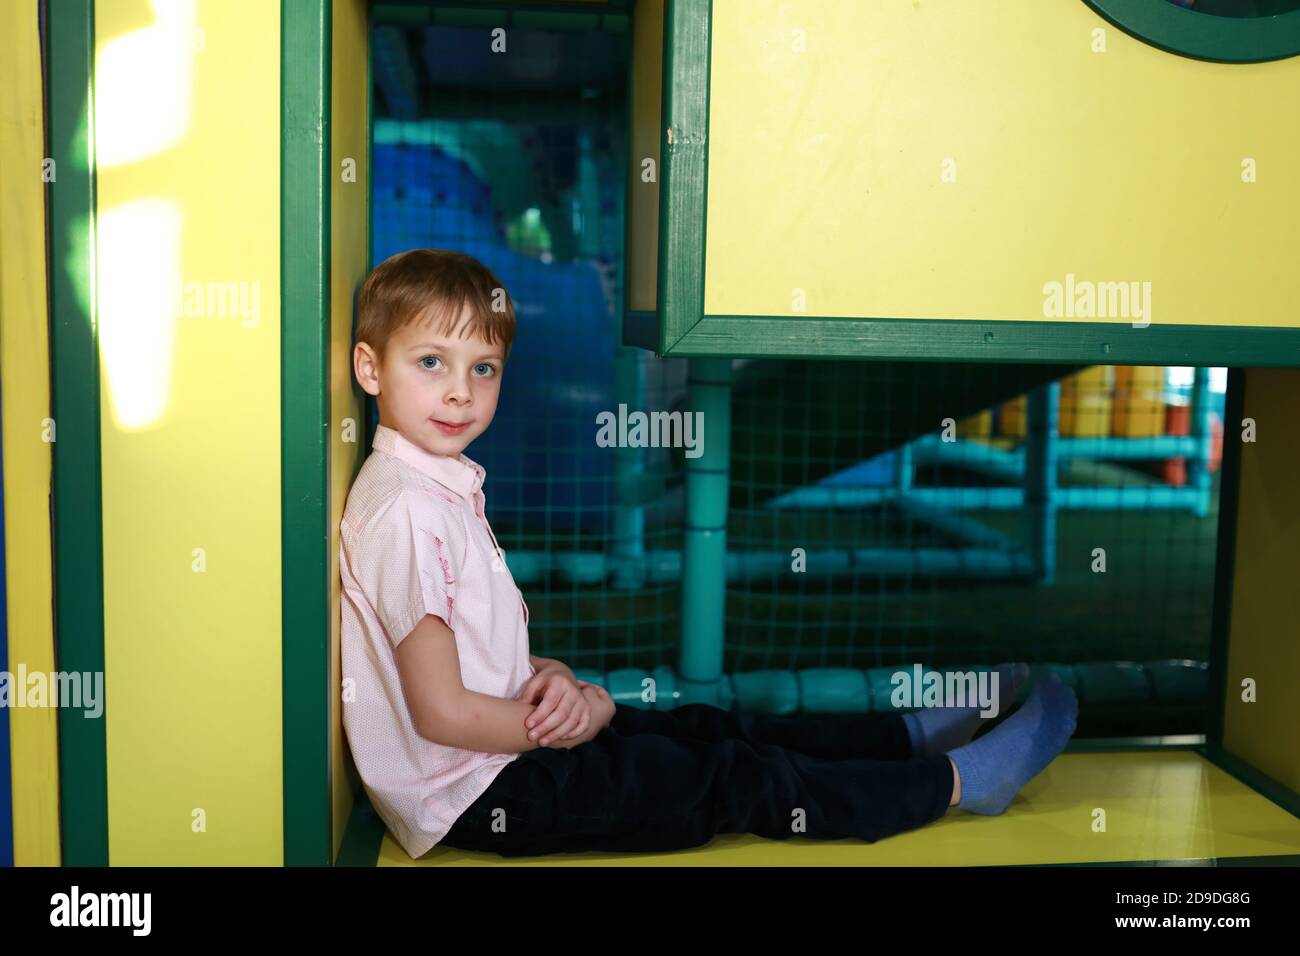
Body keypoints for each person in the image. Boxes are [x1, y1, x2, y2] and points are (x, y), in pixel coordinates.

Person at [340, 248, 1078, 859]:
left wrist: (550, 674)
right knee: (729, 777)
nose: (461, 392)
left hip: (500, 751)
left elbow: (463, 652)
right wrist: (584, 719)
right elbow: (439, 712)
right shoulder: (407, 509)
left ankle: (905, 735)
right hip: (483, 793)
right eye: (431, 362)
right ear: (370, 370)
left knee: (712, 725)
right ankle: (955, 782)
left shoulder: (434, 486)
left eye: (483, 368)